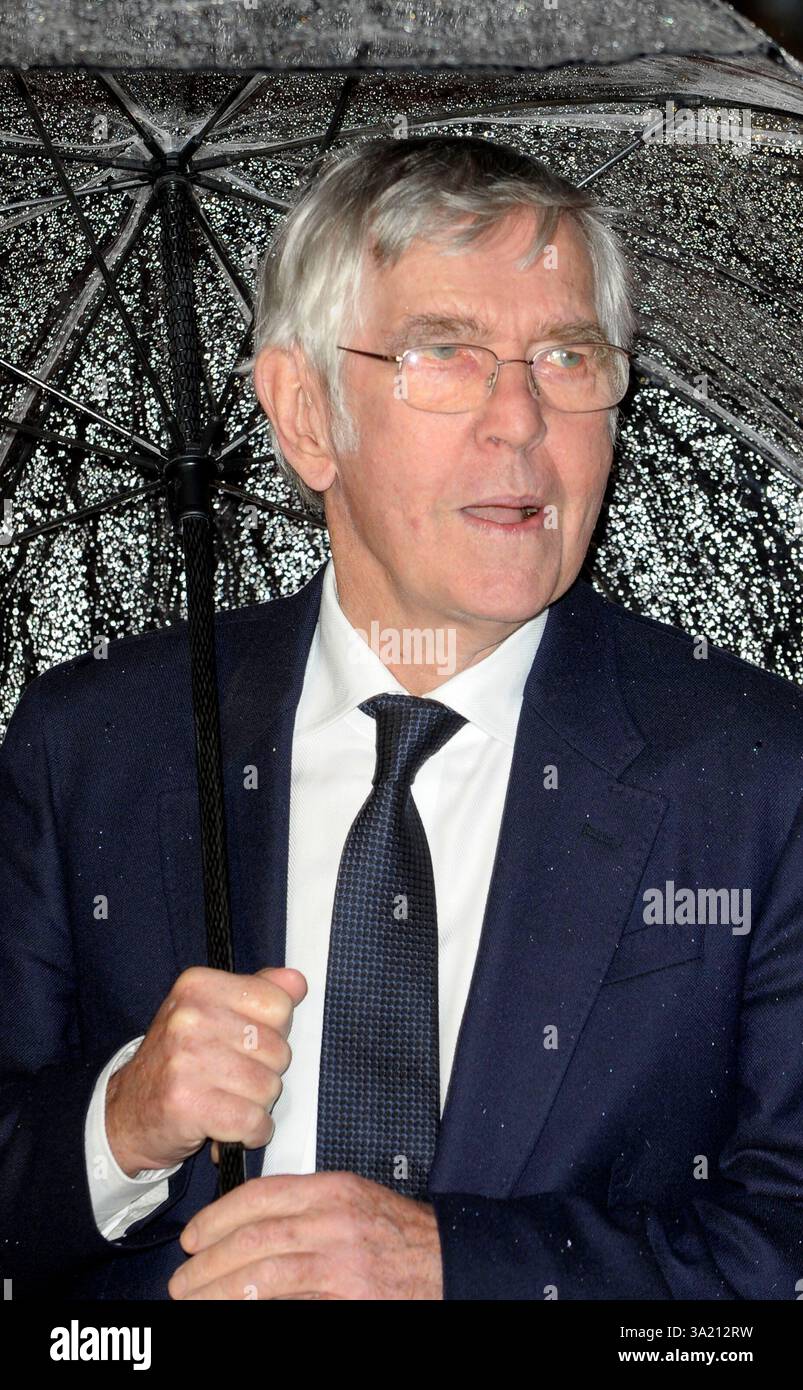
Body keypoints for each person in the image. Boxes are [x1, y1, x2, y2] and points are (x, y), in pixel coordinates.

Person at [1, 135, 802, 1301]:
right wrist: (119, 1126)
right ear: (305, 414)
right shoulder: (94, 747)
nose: (520, 422)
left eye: (568, 356)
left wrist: (455, 1266)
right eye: (447, 355)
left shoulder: (757, 776)